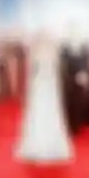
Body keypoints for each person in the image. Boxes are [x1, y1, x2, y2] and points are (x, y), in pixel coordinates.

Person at [15, 30, 73, 164]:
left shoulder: (51, 53)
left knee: (49, 115)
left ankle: (48, 143)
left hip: (48, 90)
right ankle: (37, 143)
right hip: (40, 89)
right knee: (38, 115)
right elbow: (31, 75)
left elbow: (57, 76)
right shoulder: (36, 53)